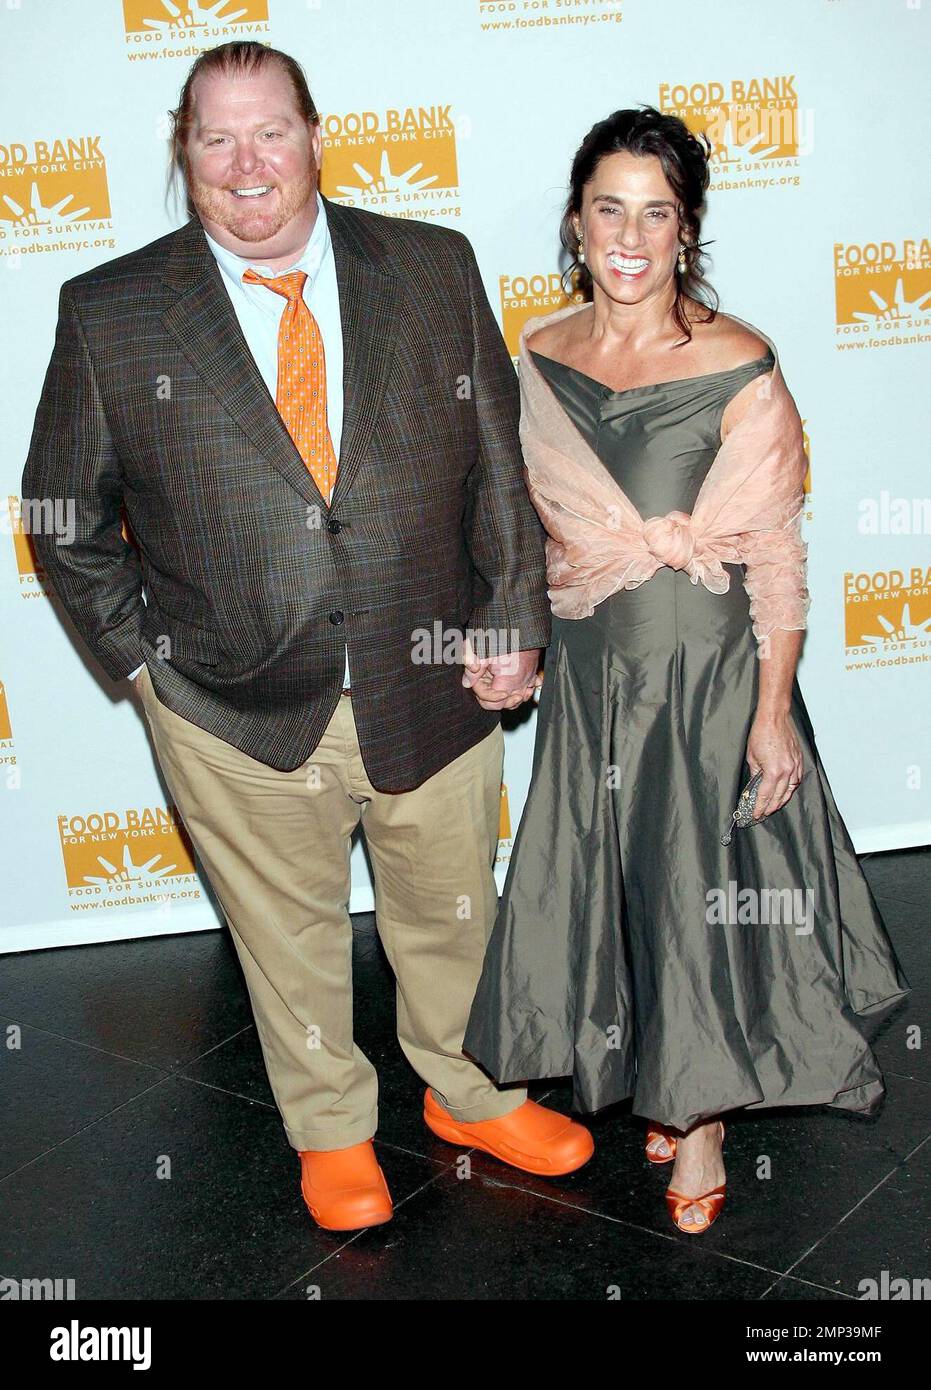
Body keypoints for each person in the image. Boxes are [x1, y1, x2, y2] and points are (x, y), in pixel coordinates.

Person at [21, 40, 593, 1234]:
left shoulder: (432, 265)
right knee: (285, 937)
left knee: (451, 910)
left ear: (315, 134)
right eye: (214, 137)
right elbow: (61, 513)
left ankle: (470, 1092)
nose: (246, 164)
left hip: (433, 672)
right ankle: (330, 1131)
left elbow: (498, 460)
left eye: (268, 130)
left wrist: (512, 620)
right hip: (228, 704)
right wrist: (143, 669)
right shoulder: (112, 310)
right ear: (184, 153)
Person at [463, 106, 909, 1235]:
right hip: (592, 671)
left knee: (695, 894)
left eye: (654, 213)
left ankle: (699, 1114)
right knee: (624, 884)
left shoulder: (735, 358)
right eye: (608, 207)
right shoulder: (540, 353)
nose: (628, 234)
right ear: (575, 221)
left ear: (685, 231)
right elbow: (519, 522)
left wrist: (771, 715)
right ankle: (655, 1067)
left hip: (710, 679)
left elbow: (776, 555)